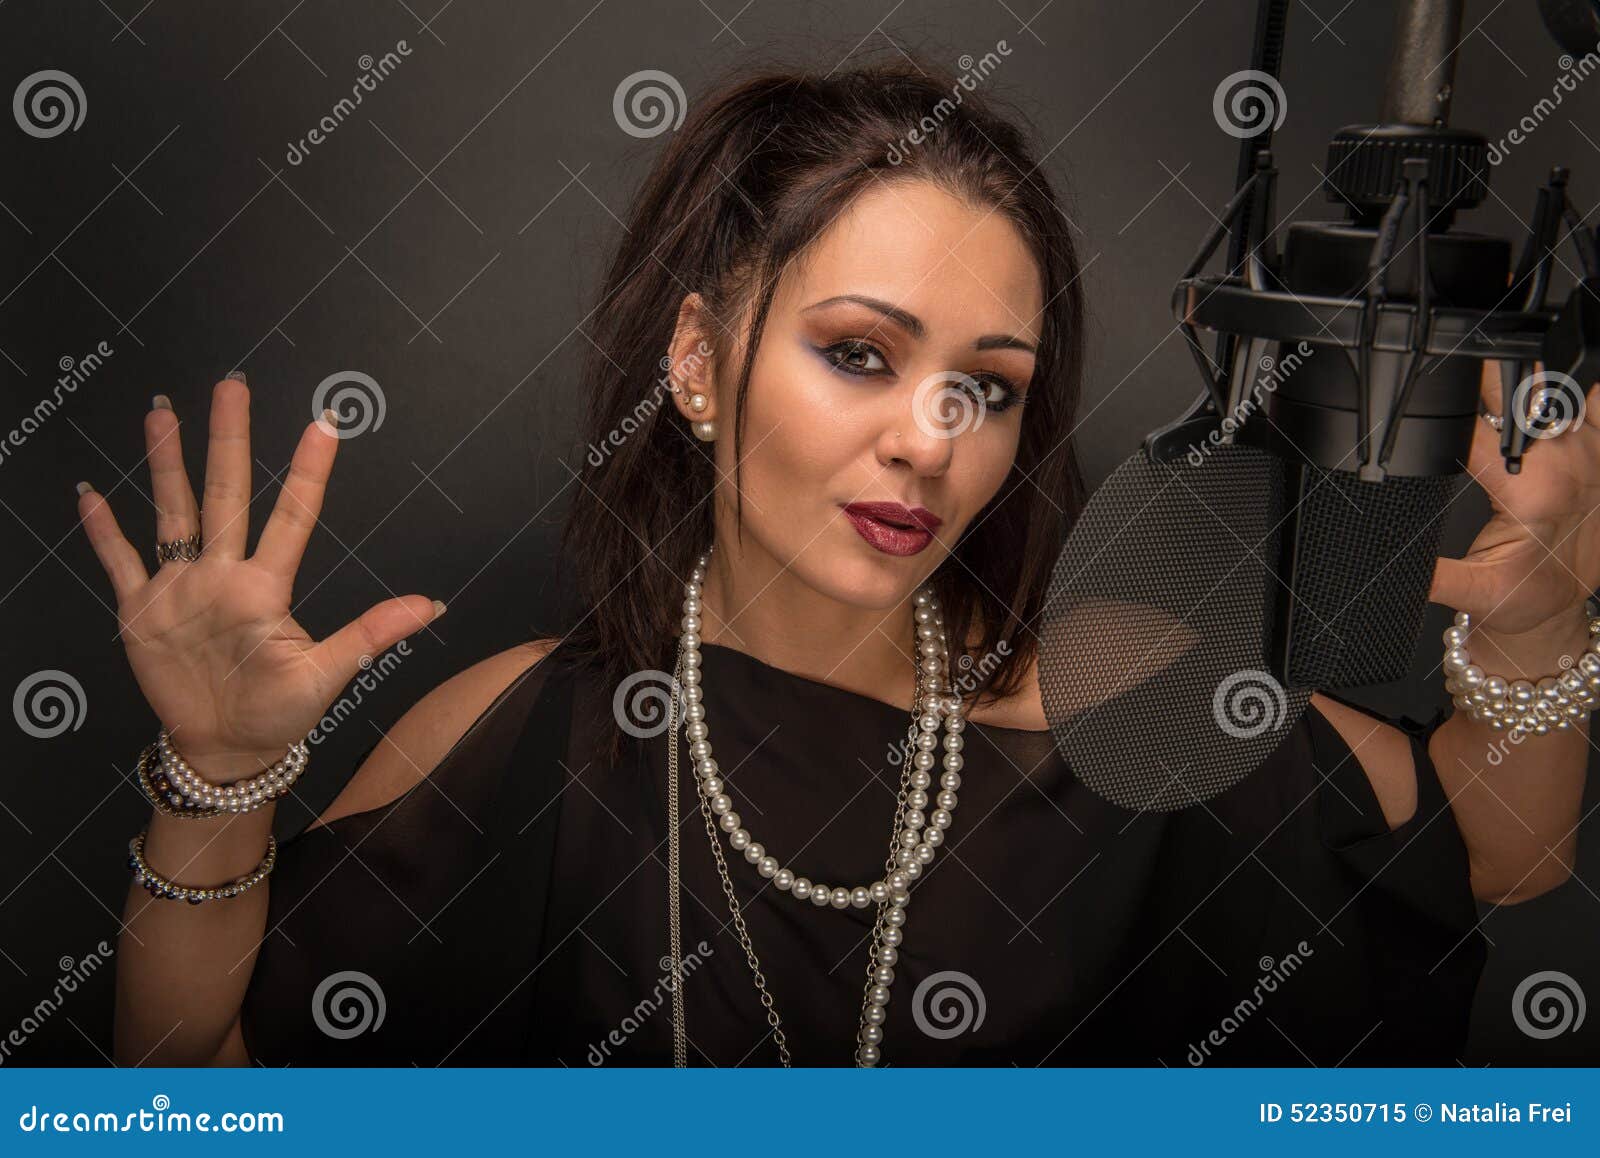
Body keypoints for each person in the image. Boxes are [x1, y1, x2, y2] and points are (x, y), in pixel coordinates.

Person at [77, 58, 1592, 1068]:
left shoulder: (1124, 697)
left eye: (986, 384)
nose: (930, 438)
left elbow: (1491, 852)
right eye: (859, 352)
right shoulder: (530, 731)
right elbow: (195, 1087)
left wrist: (1538, 629)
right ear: (698, 360)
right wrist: (215, 775)